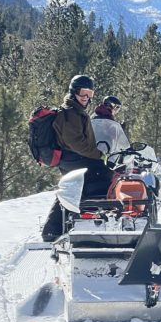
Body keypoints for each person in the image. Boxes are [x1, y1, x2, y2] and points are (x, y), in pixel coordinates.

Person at [41, 74, 111, 241]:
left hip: (75, 158)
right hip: (72, 158)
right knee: (104, 176)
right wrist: (99, 155)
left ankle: (54, 228)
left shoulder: (76, 112)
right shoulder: (69, 114)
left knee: (74, 190)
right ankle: (55, 228)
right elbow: (76, 143)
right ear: (74, 92)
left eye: (90, 94)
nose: (86, 98)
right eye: (83, 93)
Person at [91, 95, 131, 164]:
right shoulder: (109, 121)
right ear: (111, 106)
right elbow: (121, 143)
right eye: (116, 108)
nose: (116, 111)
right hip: (102, 154)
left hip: (90, 153)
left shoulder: (94, 115)